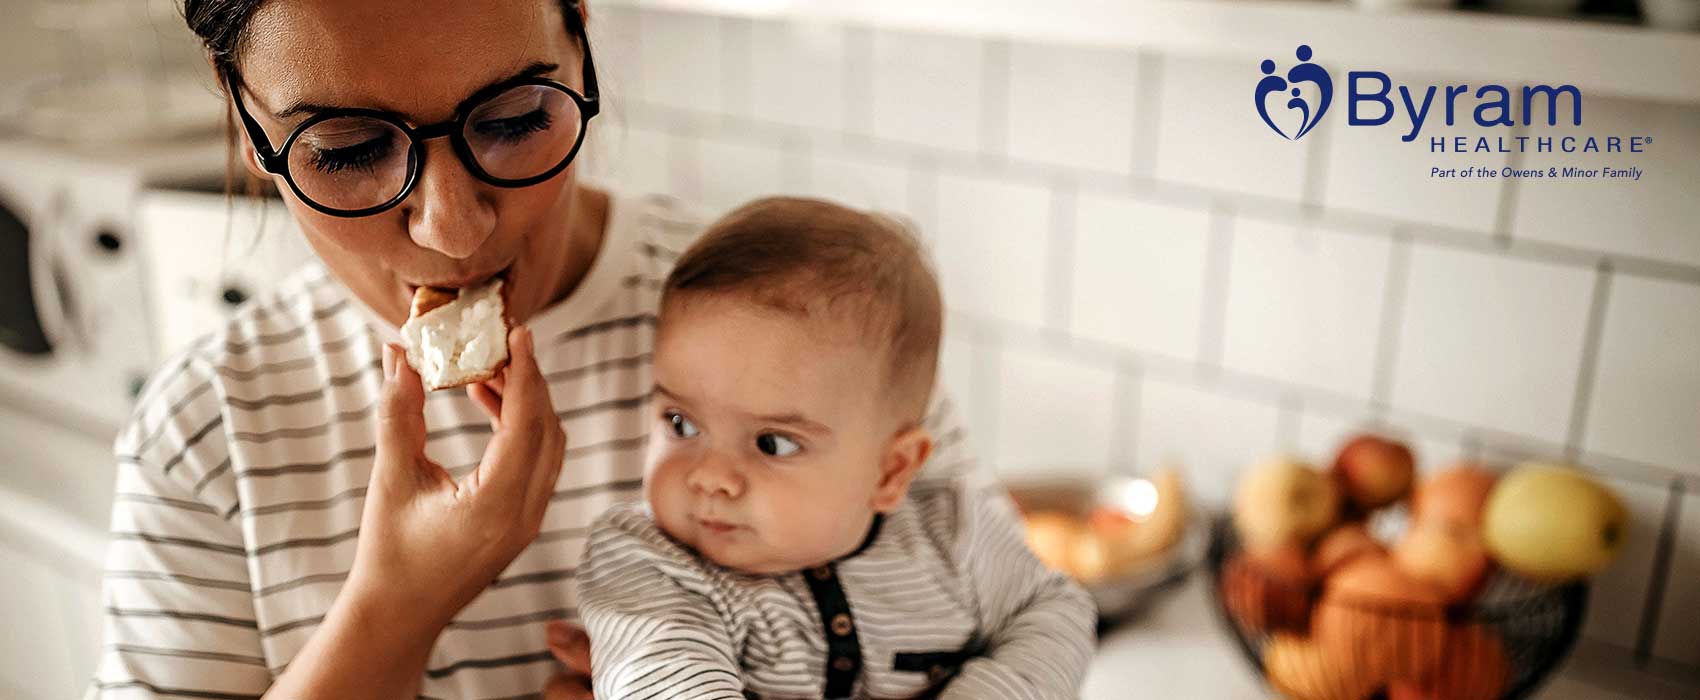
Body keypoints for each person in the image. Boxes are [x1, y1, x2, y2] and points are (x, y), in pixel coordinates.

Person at [88, 1, 1036, 699]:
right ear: (246, 121)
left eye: (512, 122)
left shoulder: (807, 324)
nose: (452, 228)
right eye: (346, 151)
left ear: (580, 32)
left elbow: (1016, 635)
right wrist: (396, 607)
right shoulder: (202, 438)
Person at [575, 197, 1096, 700]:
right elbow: (666, 677)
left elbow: (1056, 611)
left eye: (771, 442)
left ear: (891, 471)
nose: (710, 477)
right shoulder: (646, 562)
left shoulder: (955, 536)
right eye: (681, 423)